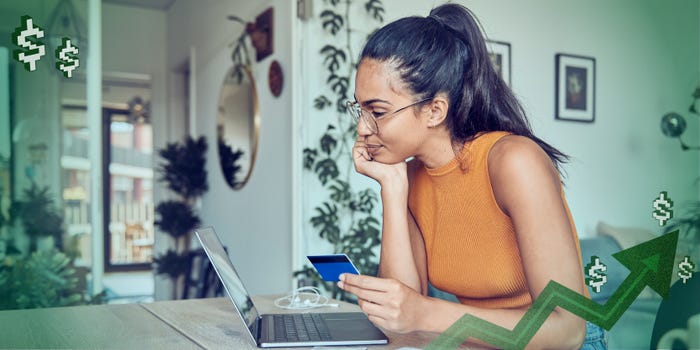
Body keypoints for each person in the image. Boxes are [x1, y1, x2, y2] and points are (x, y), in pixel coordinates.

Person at [336, 3, 606, 349]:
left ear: (434, 110)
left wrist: (424, 314)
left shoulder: (513, 162)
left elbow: (566, 331)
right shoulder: (411, 174)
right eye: (359, 109)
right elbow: (401, 326)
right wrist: (391, 186)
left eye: (377, 111)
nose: (362, 128)